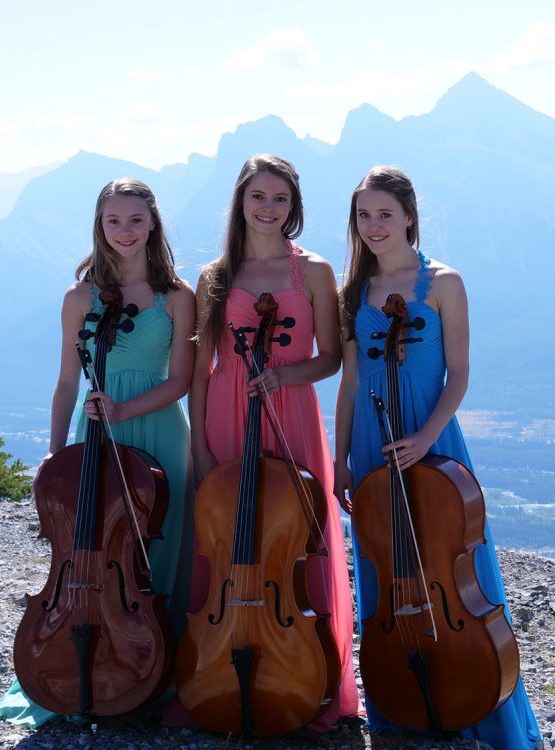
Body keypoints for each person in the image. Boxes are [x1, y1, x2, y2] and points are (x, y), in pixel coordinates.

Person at [333, 166, 543, 750]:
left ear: (408, 216)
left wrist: (426, 437)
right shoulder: (354, 291)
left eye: (384, 214)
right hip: (372, 446)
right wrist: (339, 459)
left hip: (431, 439)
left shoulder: (444, 283)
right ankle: (400, 703)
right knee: (386, 565)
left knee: (455, 566)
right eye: (363, 215)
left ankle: (480, 700)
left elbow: (459, 376)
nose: (373, 226)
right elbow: (350, 383)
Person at [0, 177, 194, 727]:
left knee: (159, 552)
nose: (124, 231)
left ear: (153, 224)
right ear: (99, 226)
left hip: (158, 430)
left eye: (134, 220)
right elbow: (64, 383)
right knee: (98, 548)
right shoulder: (79, 297)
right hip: (96, 431)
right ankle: (91, 666)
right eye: (113, 221)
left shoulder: (177, 296)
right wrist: (56, 458)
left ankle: (154, 671)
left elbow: (180, 380)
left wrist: (125, 411)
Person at [188, 154, 360, 730]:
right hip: (225, 414)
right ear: (240, 201)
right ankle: (212, 672)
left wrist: (283, 374)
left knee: (294, 542)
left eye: (280, 198)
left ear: (295, 207)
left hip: (289, 409)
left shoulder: (313, 271)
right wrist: (200, 450)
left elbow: (331, 359)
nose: (268, 208)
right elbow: (200, 369)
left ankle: (303, 678)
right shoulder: (214, 275)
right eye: (258, 197)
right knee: (223, 548)